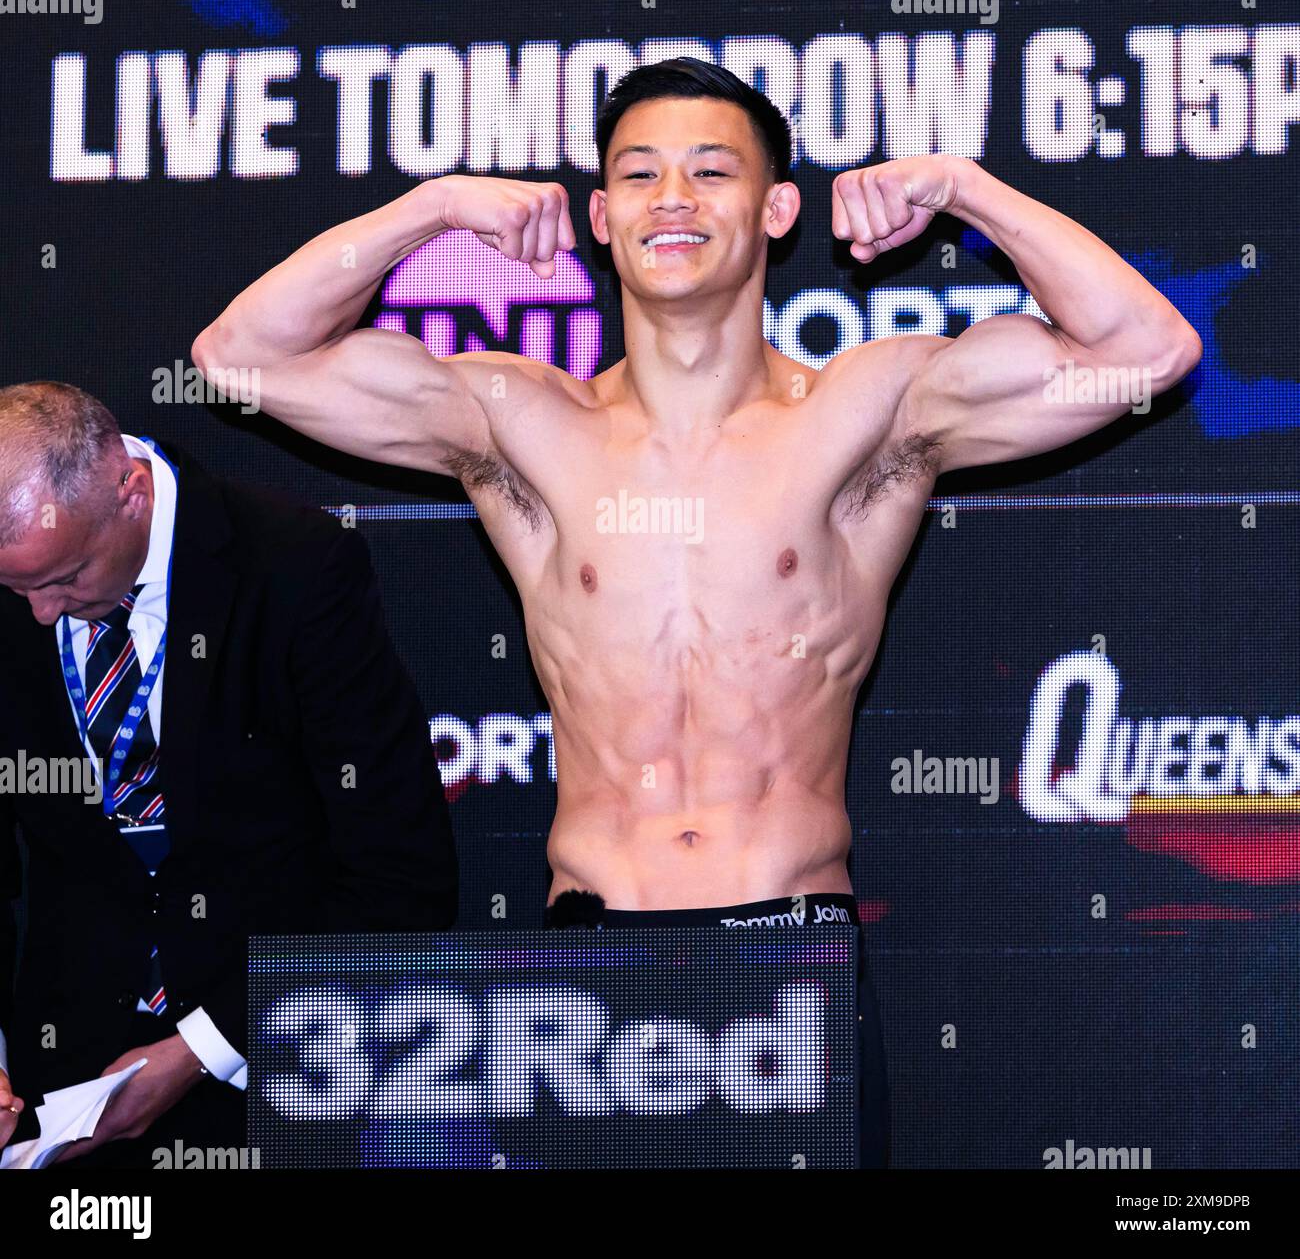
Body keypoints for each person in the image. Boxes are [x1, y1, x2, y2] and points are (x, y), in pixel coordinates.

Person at [190, 57, 1201, 1167]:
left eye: (710, 171)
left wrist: (964, 189)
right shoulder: (520, 420)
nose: (671, 199)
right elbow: (240, 356)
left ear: (775, 209)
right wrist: (429, 208)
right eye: (640, 174)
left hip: (784, 965)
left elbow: (1146, 351)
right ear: (600, 214)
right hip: (587, 974)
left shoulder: (868, 410)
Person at [0, 383, 457, 1166]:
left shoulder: (296, 564)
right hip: (57, 1098)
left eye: (65, 577)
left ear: (130, 494)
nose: (42, 614)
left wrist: (202, 1049)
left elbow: (402, 872)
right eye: (17, 590)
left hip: (279, 1076)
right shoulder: (22, 580)